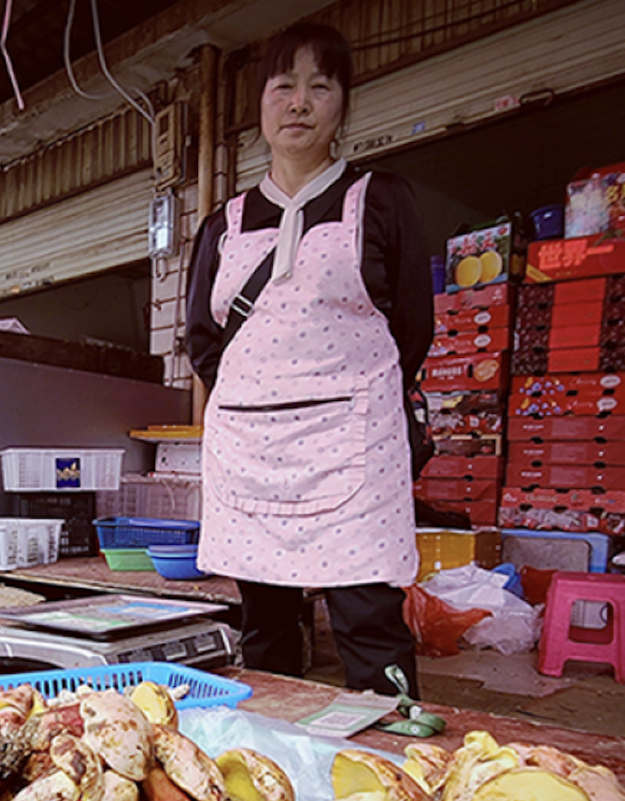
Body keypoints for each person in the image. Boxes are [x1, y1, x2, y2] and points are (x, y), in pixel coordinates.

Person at [186, 22, 433, 696]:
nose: (299, 103)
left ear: (342, 105)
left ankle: (389, 751)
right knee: (264, 623)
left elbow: (413, 326)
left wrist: (343, 395)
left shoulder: (379, 199)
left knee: (367, 616)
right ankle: (271, 748)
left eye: (319, 87)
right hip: (250, 451)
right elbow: (203, 339)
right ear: (261, 106)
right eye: (284, 86)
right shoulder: (223, 224)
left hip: (351, 444)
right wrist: (262, 401)